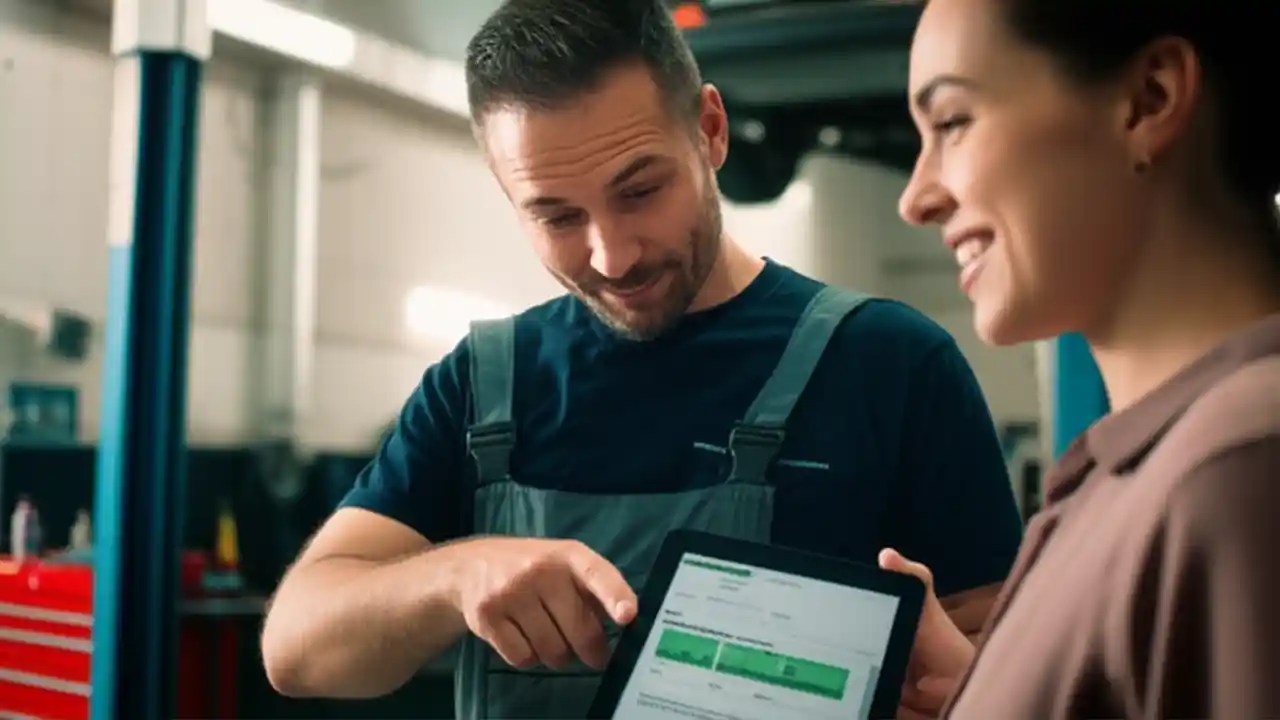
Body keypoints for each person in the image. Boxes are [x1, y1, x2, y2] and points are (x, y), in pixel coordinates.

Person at [259, 1, 1023, 717]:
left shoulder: (891, 366)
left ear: (711, 131)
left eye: (640, 190)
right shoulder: (485, 383)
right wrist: (454, 575)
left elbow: (1013, 659)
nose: (612, 255)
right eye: (557, 214)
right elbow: (296, 647)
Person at [886, 0, 1280, 718]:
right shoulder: (1147, 466)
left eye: (952, 122)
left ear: (1148, 99)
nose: (917, 198)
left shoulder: (1239, 471)